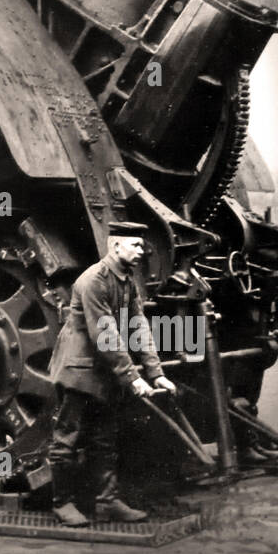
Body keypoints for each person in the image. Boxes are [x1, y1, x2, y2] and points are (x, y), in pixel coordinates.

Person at [45, 221, 177, 526]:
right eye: (134, 244)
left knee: (105, 439)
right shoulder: (93, 280)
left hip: (102, 372)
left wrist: (156, 373)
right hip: (78, 370)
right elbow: (105, 333)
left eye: (142, 245)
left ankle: (107, 502)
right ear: (114, 245)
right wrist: (133, 377)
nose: (141, 250)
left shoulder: (127, 280)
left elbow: (137, 325)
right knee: (67, 439)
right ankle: (62, 504)